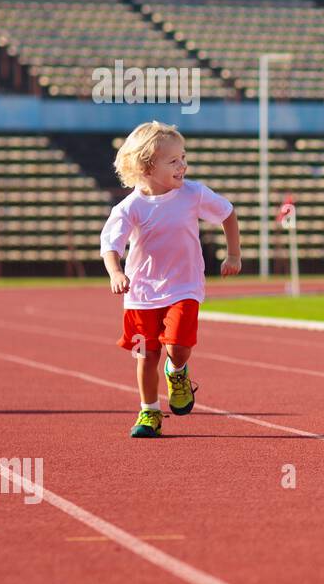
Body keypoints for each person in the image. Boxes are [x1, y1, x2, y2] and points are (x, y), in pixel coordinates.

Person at [100, 121, 241, 438]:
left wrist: (234, 254)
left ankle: (177, 371)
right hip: (141, 294)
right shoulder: (129, 207)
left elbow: (227, 214)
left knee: (177, 346)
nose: (183, 165)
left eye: (184, 157)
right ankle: (149, 412)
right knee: (145, 355)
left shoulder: (193, 194)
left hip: (184, 287)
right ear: (147, 167)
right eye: (174, 161)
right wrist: (116, 272)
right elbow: (110, 245)